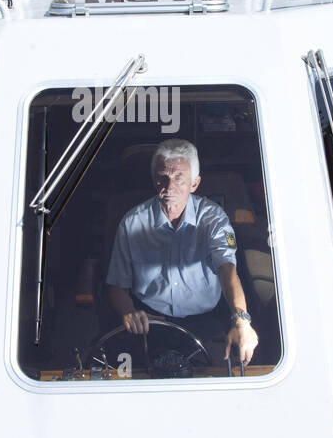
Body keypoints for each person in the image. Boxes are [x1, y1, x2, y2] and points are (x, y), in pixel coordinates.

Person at [106, 139, 258, 367]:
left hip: (206, 323)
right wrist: (128, 311)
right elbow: (117, 284)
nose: (169, 188)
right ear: (153, 179)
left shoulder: (214, 218)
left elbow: (228, 270)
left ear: (194, 184)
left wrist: (241, 320)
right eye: (162, 178)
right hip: (150, 321)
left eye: (179, 178)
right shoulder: (131, 222)